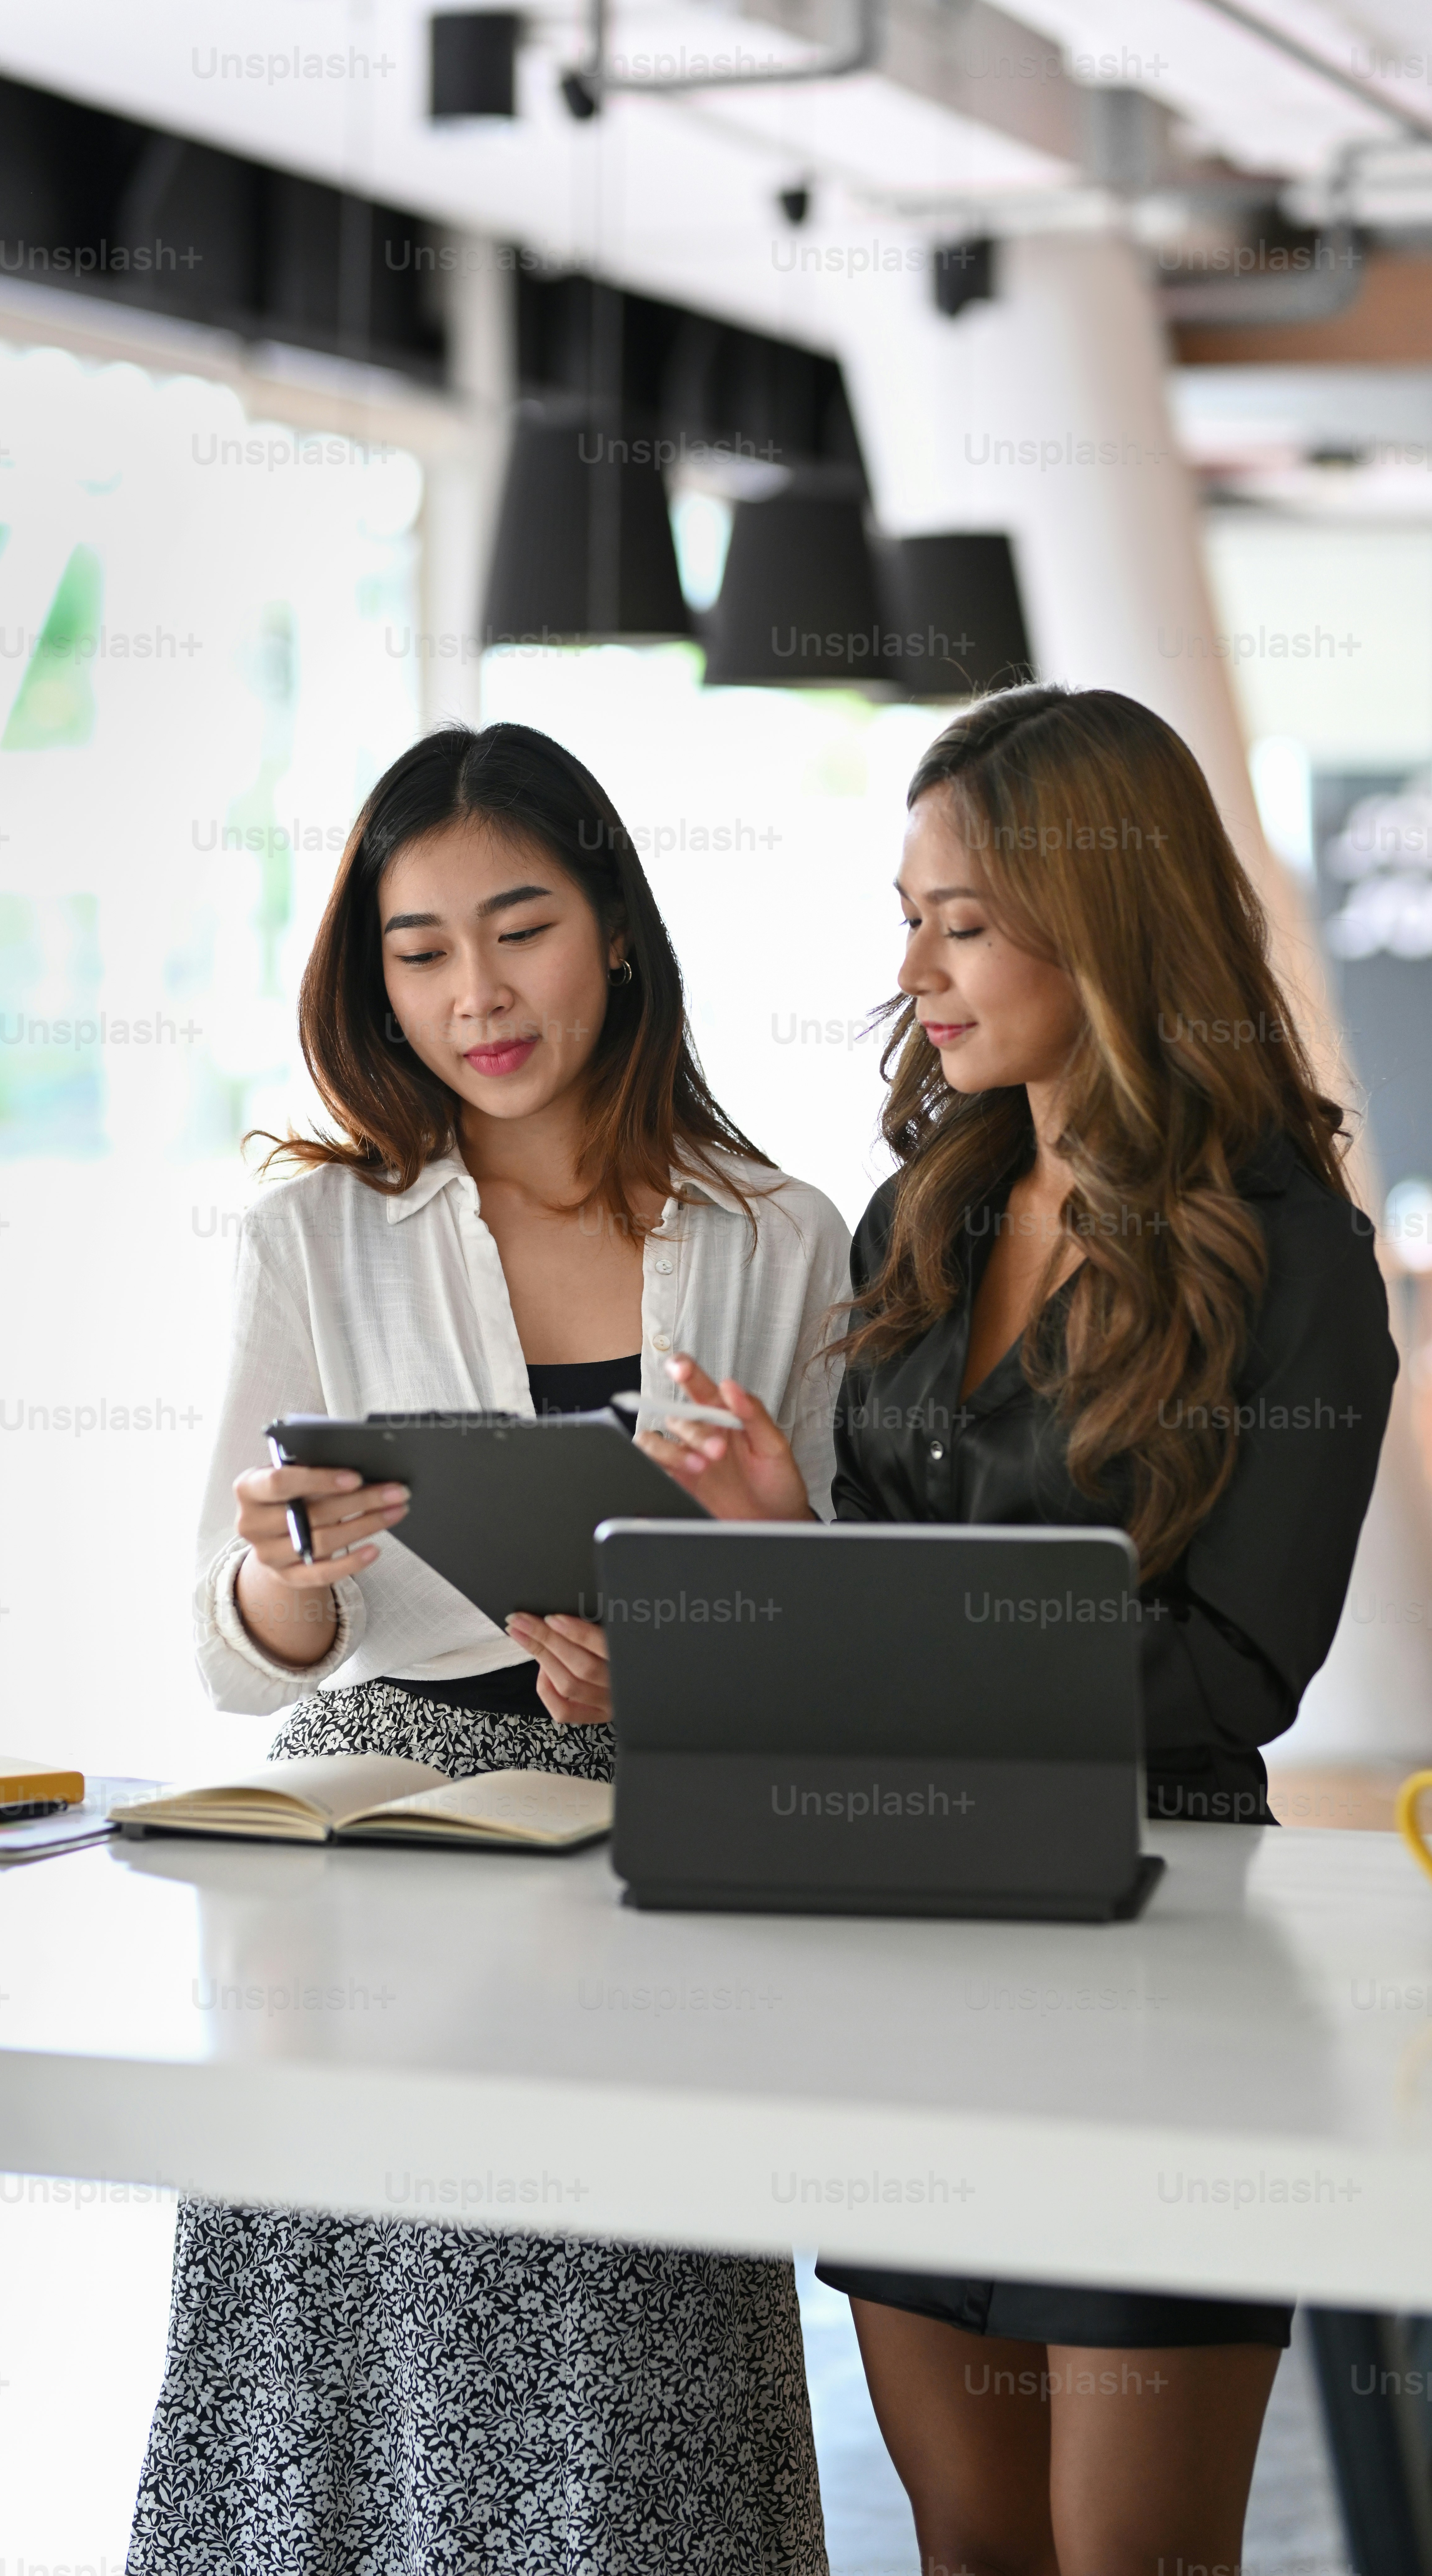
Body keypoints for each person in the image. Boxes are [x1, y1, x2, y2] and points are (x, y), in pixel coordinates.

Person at [642, 684, 1397, 2576]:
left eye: (960, 921)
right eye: (910, 915)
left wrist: (908, 1652)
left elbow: (1239, 1669)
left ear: (1107, 923)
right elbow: (886, 1586)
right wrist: (775, 1541)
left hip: (1160, 1974)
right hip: (910, 1964)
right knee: (969, 2551)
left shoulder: (1290, 1259)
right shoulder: (930, 1208)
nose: (915, 968)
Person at [128, 720, 850, 2576]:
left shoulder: (784, 1237)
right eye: (420, 948)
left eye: (518, 927)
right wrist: (289, 1572)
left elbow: (851, 1600)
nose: (478, 992)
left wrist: (694, 1649)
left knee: (632, 2365)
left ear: (612, 925)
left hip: (647, 1843)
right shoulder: (317, 1232)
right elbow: (245, 1644)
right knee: (354, 2378)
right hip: (374, 1838)